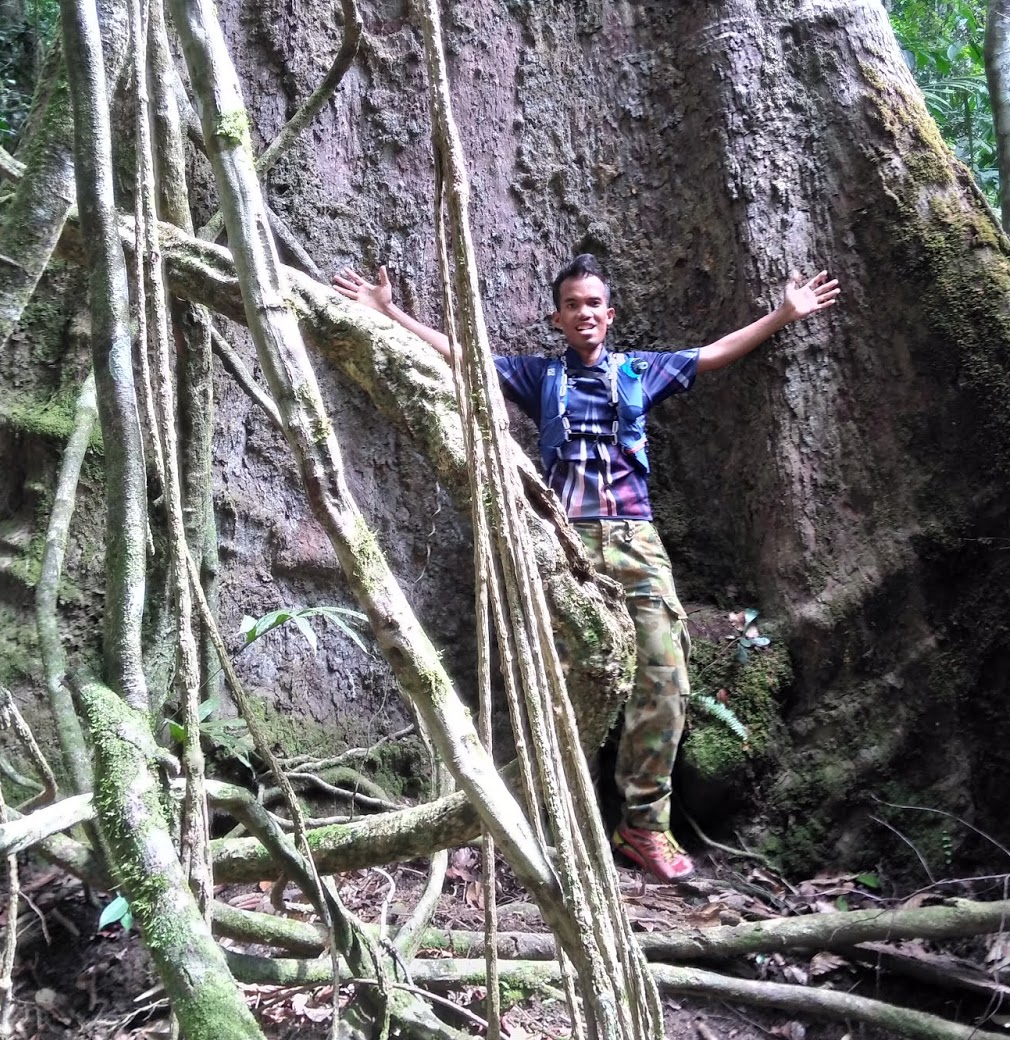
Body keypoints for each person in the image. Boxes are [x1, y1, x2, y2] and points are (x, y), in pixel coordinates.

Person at [334, 254, 840, 881]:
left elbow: (711, 353)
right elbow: (462, 358)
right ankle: (558, 823)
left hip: (635, 542)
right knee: (562, 678)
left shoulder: (639, 370)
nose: (585, 313)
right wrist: (388, 313)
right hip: (563, 544)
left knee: (664, 672)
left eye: (594, 303)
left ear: (610, 313)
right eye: (573, 304)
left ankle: (643, 827)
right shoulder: (539, 375)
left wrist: (784, 313)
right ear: (558, 317)